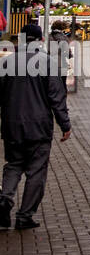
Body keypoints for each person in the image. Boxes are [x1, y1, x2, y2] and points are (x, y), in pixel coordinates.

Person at [0, 24, 72, 230]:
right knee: (36, 172)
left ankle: (5, 199)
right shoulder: (47, 63)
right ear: (40, 41)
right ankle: (24, 216)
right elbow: (57, 98)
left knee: (13, 165)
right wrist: (65, 125)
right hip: (38, 128)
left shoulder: (7, 63)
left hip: (12, 126)